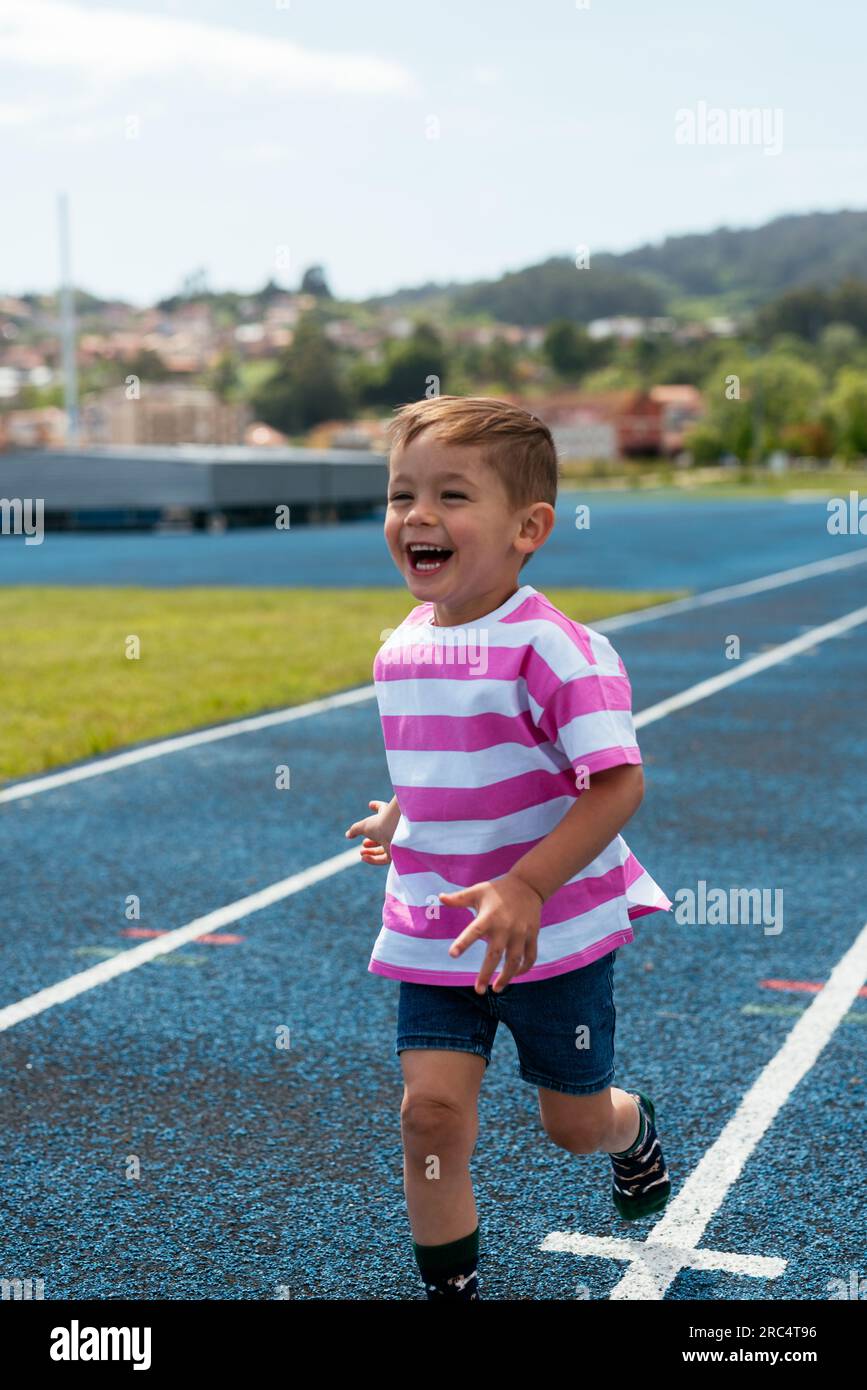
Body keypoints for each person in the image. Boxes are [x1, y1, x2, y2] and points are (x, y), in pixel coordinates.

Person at [345, 395, 672, 1300]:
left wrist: (526, 884)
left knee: (571, 1126)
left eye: (452, 496)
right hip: (437, 928)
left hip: (548, 932)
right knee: (431, 1116)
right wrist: (397, 818)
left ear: (528, 528)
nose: (418, 515)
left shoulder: (558, 652)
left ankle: (630, 1129)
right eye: (401, 493)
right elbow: (443, 770)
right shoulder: (399, 650)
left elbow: (617, 783)